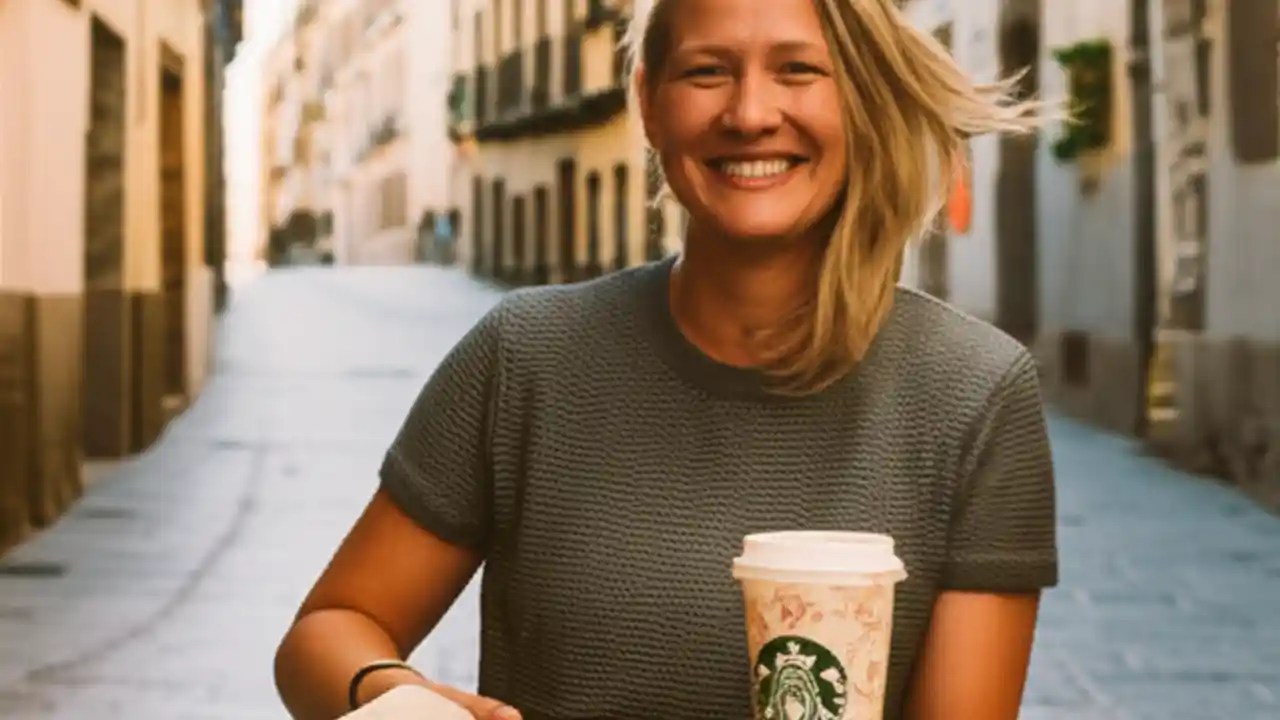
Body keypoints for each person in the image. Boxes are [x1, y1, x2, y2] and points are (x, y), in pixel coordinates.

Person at [273, 0, 1059, 718]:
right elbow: (328, 632)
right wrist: (394, 698)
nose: (750, 113)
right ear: (649, 102)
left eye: (799, 70)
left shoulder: (976, 394)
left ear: (861, 96)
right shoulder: (525, 360)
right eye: (707, 71)